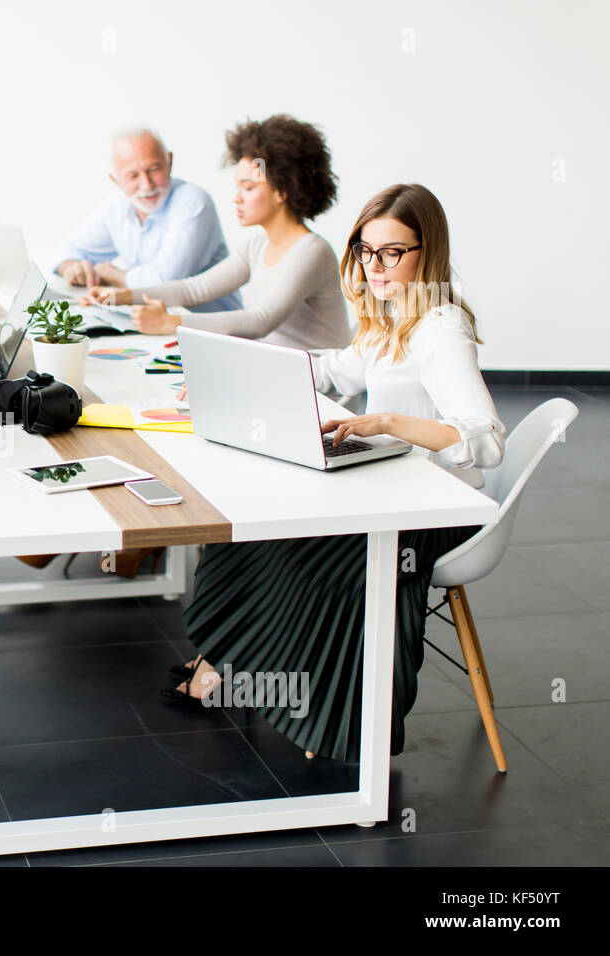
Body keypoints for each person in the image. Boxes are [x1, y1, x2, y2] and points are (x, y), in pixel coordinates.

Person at [167, 183, 506, 765]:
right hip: (393, 489)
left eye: (392, 252)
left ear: (429, 251)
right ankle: (238, 667)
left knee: (292, 542)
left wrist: (389, 423)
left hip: (430, 513)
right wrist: (245, 377)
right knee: (257, 529)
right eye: (365, 250)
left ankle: (281, 692)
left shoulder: (440, 327)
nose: (375, 266)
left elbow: (486, 440)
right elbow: (334, 370)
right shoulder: (389, 316)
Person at [83, 115, 352, 351]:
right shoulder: (257, 246)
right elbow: (195, 288)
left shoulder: (312, 251)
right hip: (277, 370)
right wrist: (118, 296)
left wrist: (171, 322)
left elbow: (261, 320)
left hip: (318, 388)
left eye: (247, 188)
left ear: (283, 190)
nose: (236, 198)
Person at [52, 127, 242, 313]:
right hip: (156, 327)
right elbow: (68, 249)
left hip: (212, 331)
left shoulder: (193, 201)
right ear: (115, 179)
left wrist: (113, 276)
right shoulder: (116, 207)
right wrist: (71, 267)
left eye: (153, 169)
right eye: (133, 175)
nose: (146, 184)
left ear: (169, 161)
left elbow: (164, 281)